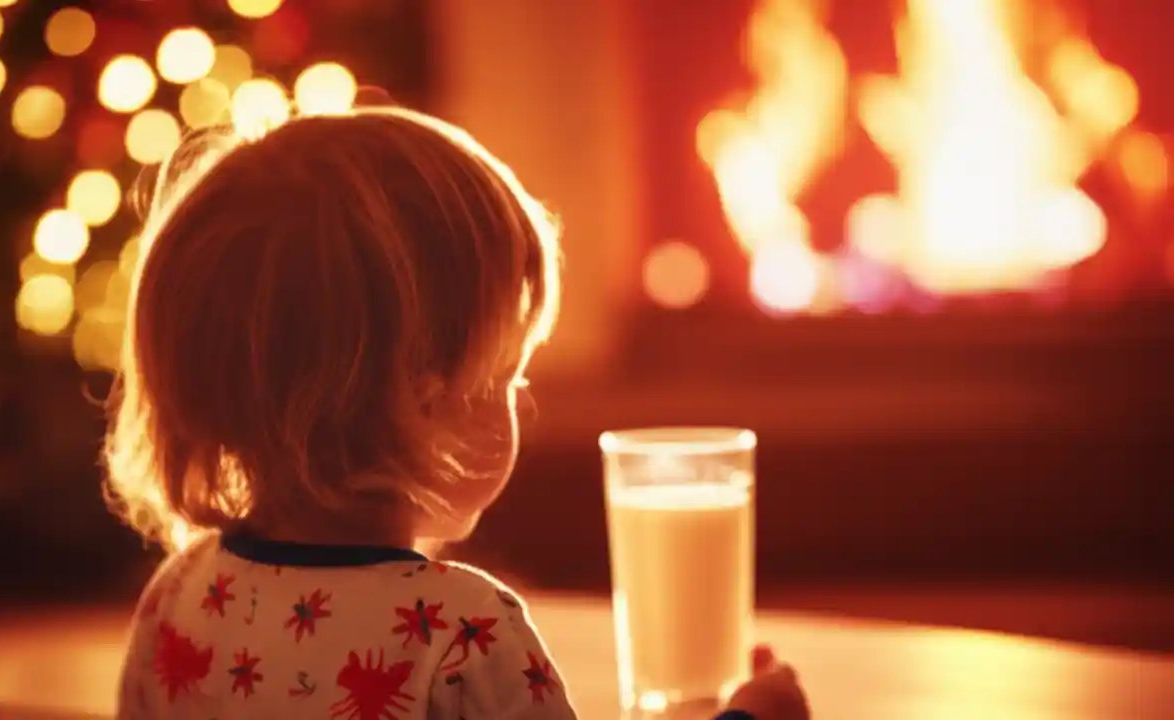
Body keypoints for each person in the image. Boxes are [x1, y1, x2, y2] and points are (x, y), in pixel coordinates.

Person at [106, 107, 809, 720]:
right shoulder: (460, 634)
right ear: (424, 404)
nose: (521, 403)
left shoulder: (178, 601)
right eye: (505, 375)